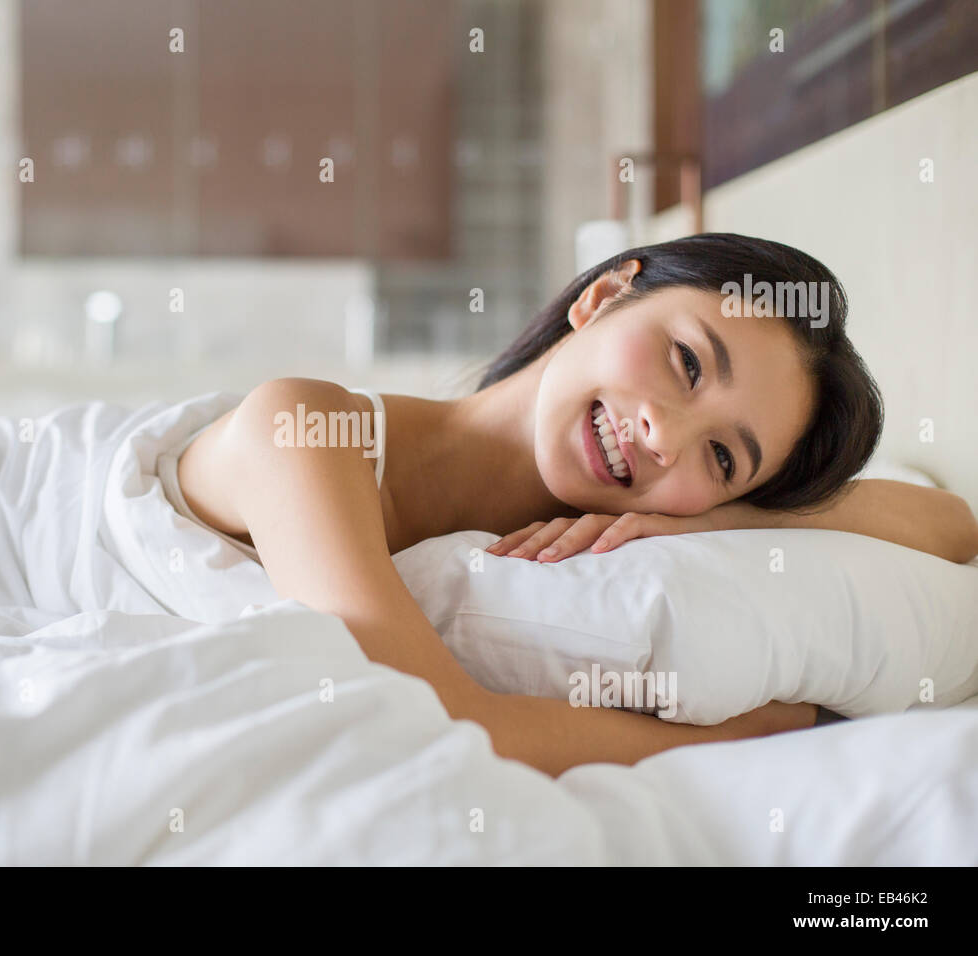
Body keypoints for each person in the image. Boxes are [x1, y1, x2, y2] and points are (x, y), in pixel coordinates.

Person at [174, 233, 978, 776]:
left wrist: (720, 514)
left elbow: (949, 524)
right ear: (602, 296)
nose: (666, 436)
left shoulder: (662, 514)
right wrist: (758, 729)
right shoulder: (307, 429)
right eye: (688, 363)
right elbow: (441, 722)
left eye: (724, 455)